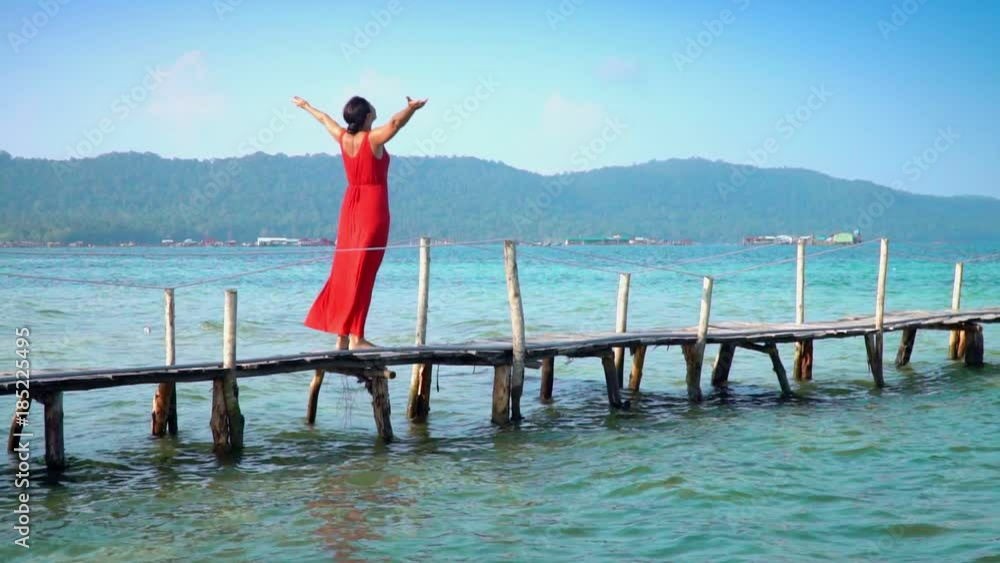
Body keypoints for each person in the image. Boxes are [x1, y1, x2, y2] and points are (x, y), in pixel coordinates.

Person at [294, 94, 427, 350]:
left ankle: (342, 337)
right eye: (371, 107)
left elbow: (325, 120)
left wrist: (306, 106)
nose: (375, 108)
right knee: (364, 272)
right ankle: (356, 338)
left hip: (350, 208)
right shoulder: (372, 139)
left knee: (346, 270)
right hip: (371, 209)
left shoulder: (344, 138)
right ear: (367, 116)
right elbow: (395, 124)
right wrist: (411, 109)